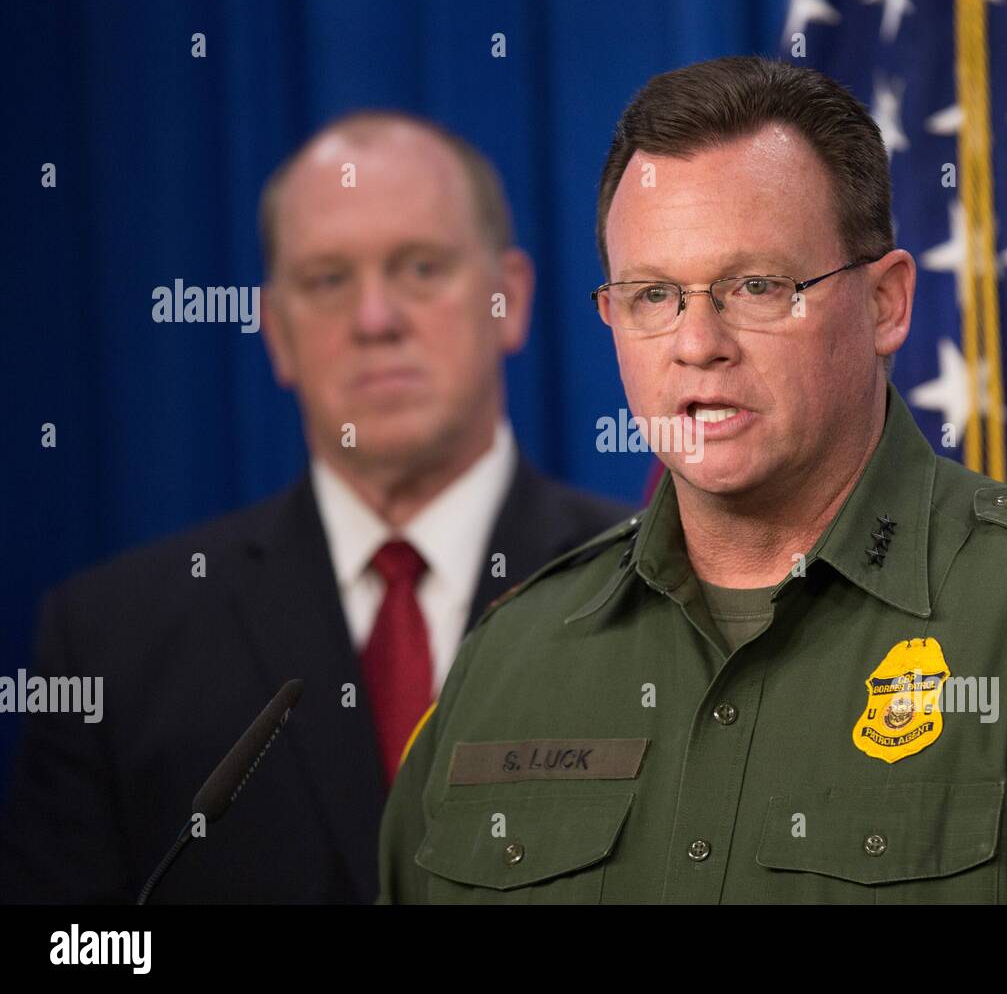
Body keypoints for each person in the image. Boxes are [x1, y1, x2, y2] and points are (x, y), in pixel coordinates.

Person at [378, 58, 1007, 904]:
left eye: (757, 286)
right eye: (654, 295)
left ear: (887, 302)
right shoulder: (509, 661)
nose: (698, 344)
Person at [0, 112, 632, 904]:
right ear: (276, 333)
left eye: (421, 267)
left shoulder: (648, 587)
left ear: (509, 298)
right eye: (329, 280)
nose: (376, 319)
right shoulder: (109, 640)